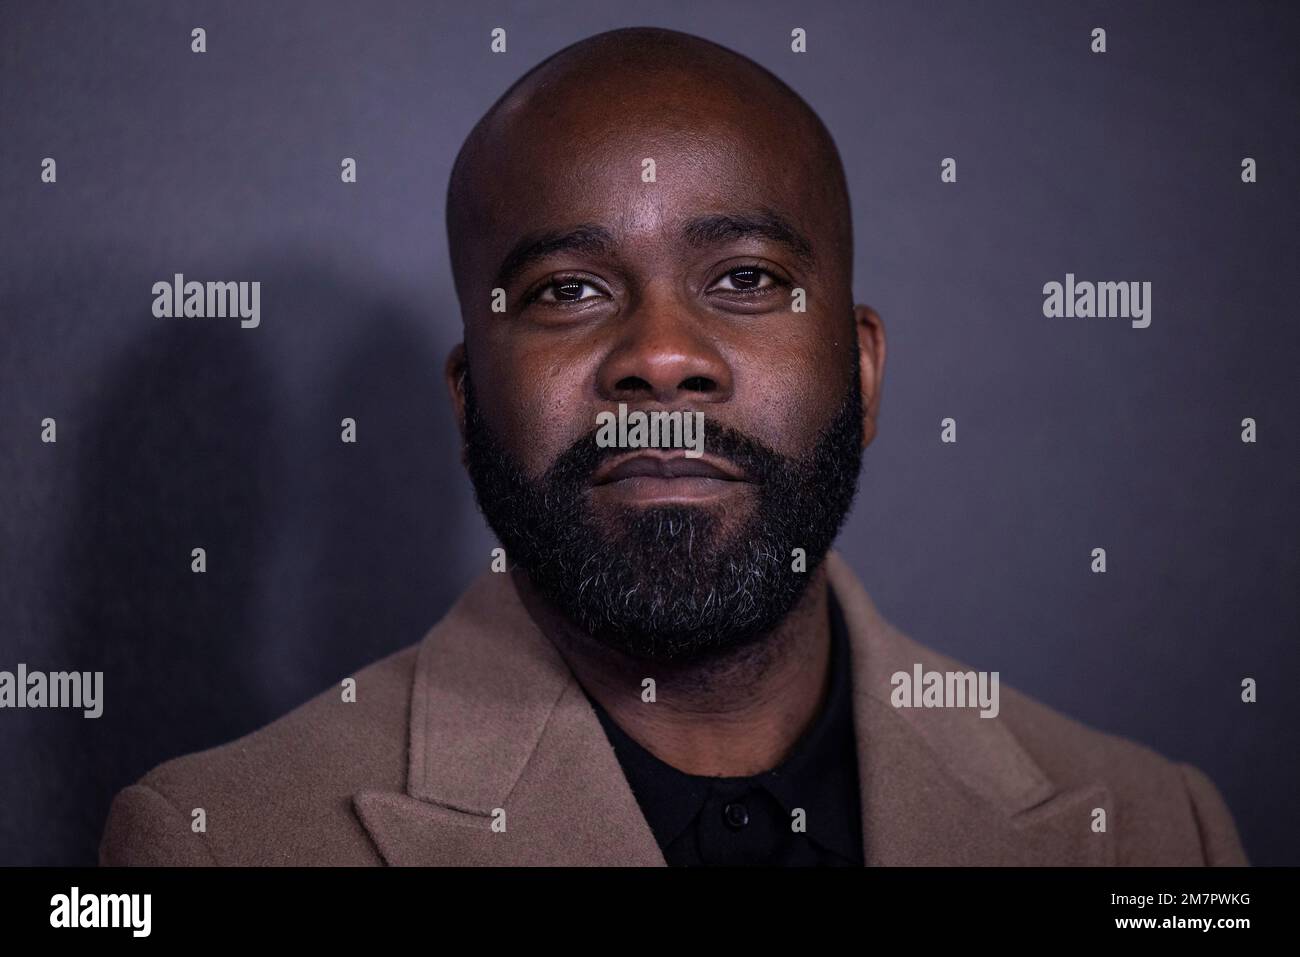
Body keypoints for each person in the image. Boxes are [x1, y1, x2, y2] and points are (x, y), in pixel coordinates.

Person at [100, 26, 1247, 867]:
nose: (659, 356)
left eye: (746, 279)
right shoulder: (219, 843)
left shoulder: (1157, 832)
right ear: (464, 405)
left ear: (862, 370)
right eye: (566, 289)